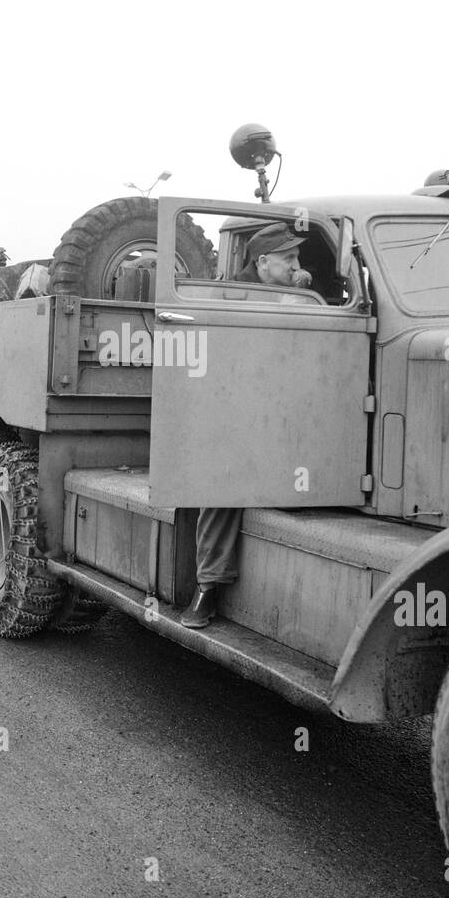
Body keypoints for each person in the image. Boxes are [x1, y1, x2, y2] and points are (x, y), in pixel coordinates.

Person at [181, 224, 312, 630]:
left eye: (298, 259)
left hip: (289, 407)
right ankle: (207, 586)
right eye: (289, 259)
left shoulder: (303, 293)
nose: (297, 266)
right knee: (223, 482)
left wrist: (308, 296)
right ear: (263, 262)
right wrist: (294, 301)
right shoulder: (230, 296)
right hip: (235, 409)